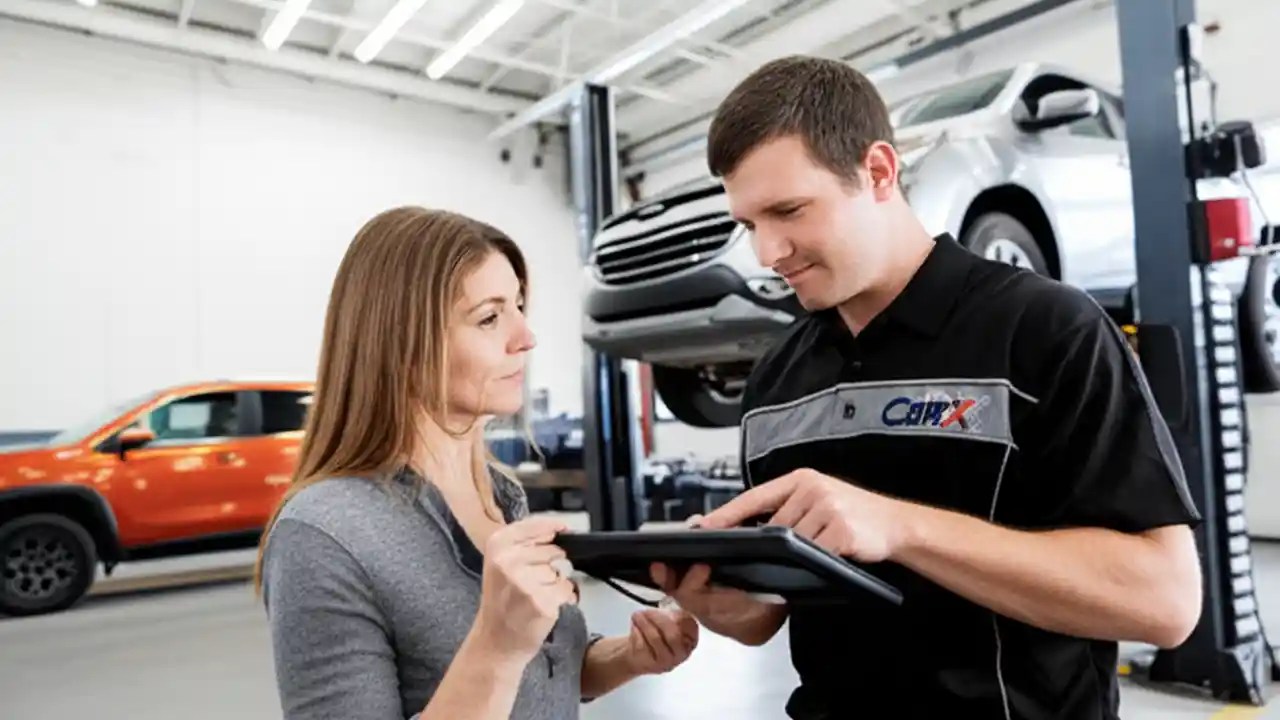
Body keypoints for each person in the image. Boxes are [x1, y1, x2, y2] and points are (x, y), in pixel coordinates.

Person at [650, 56, 1204, 720]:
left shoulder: (1045, 330)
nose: (768, 252)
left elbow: (1166, 603)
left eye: (790, 210)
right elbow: (775, 614)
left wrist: (900, 526)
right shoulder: (777, 377)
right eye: (749, 225)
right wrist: (726, 601)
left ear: (879, 171)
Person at [255, 207, 699, 720]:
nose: (526, 337)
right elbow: (504, 658)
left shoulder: (498, 492)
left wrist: (627, 657)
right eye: (490, 318)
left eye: (518, 307)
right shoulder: (324, 533)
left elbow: (540, 674)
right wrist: (497, 645)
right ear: (403, 346)